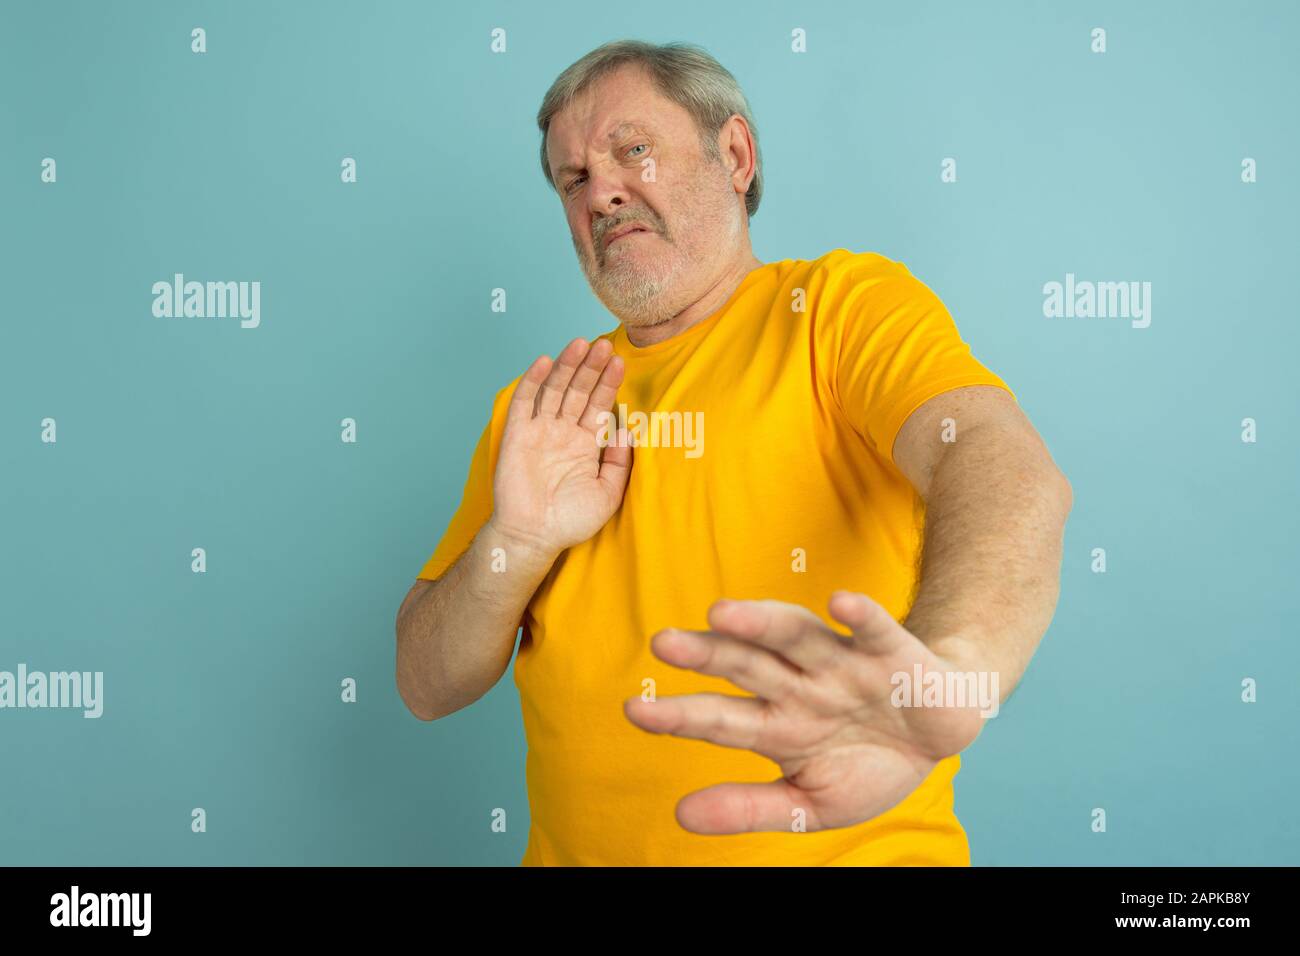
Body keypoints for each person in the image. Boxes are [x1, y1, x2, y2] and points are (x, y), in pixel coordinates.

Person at [395, 40, 1072, 866]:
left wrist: (948, 672)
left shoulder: (837, 311)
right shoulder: (545, 408)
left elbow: (1004, 468)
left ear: (736, 155)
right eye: (572, 180)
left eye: (631, 149)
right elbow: (425, 686)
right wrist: (517, 543)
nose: (601, 191)